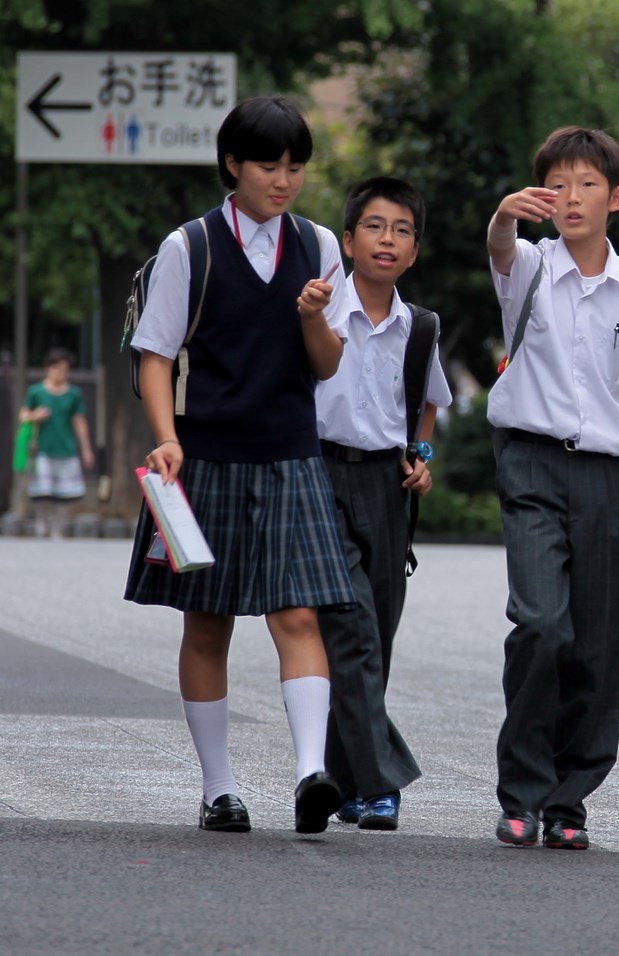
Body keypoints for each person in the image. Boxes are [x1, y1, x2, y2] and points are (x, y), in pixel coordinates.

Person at [124, 95, 355, 835]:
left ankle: (310, 773)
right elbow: (155, 354)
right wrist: (165, 436)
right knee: (208, 622)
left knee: (298, 613)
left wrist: (314, 314)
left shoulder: (320, 246)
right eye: (267, 165)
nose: (282, 179)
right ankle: (218, 787)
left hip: (290, 454)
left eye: (294, 166)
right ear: (233, 165)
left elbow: (325, 366)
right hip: (205, 457)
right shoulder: (189, 246)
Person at [486, 126, 619, 849]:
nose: (571, 196)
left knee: (599, 646)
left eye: (586, 184)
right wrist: (505, 214)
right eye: (557, 182)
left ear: (615, 198)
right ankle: (519, 791)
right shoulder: (528, 267)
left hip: (607, 473)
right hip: (531, 462)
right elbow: (498, 247)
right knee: (543, 624)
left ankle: (568, 801)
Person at [315, 176, 452, 830]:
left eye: (401, 230)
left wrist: (421, 460)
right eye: (374, 226)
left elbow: (429, 403)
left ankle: (346, 782)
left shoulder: (418, 327)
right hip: (320, 481)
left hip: (387, 491)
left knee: (376, 641)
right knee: (351, 629)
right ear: (348, 240)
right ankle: (381, 782)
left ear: (414, 249)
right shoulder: (317, 312)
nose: (387, 239)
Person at [21, 347, 95, 537]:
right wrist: (35, 416)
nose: (62, 373)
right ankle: (42, 522)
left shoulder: (74, 394)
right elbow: (23, 415)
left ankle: (58, 527)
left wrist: (86, 449)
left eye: (65, 369)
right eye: (58, 368)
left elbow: (79, 421)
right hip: (42, 447)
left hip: (67, 447)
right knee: (43, 490)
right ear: (49, 368)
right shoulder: (36, 392)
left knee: (65, 493)